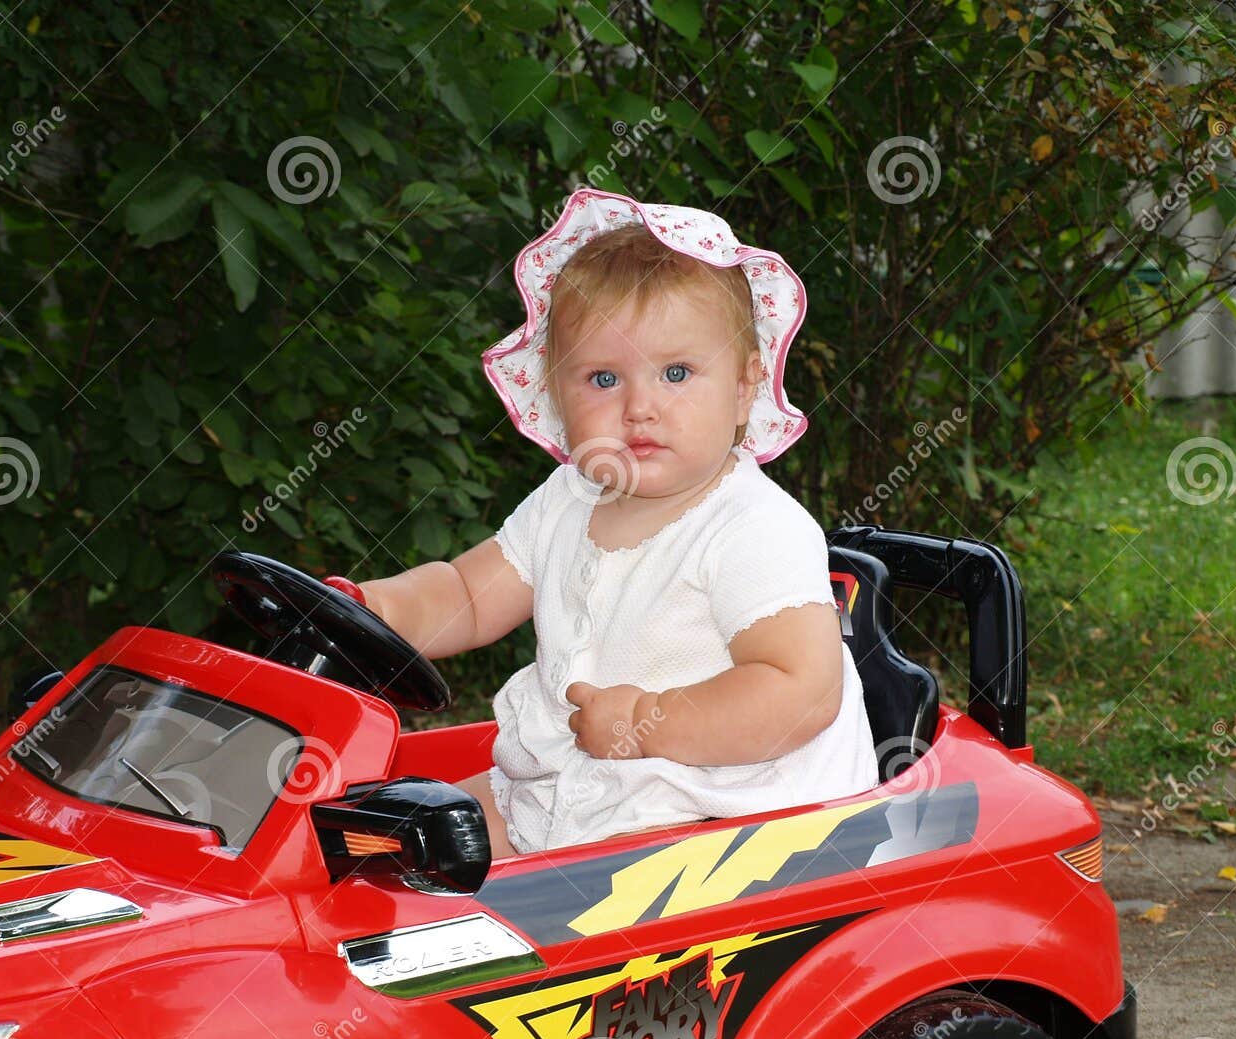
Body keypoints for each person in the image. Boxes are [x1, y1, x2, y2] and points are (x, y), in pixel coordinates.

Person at [327, 187, 878, 857]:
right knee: (380, 844)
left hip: (722, 815)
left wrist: (648, 723)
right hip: (574, 787)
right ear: (557, 392)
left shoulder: (754, 528)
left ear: (743, 388)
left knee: (554, 896)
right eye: (603, 379)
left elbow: (799, 693)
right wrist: (374, 607)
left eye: (676, 372)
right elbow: (466, 596)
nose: (640, 406)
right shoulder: (568, 499)